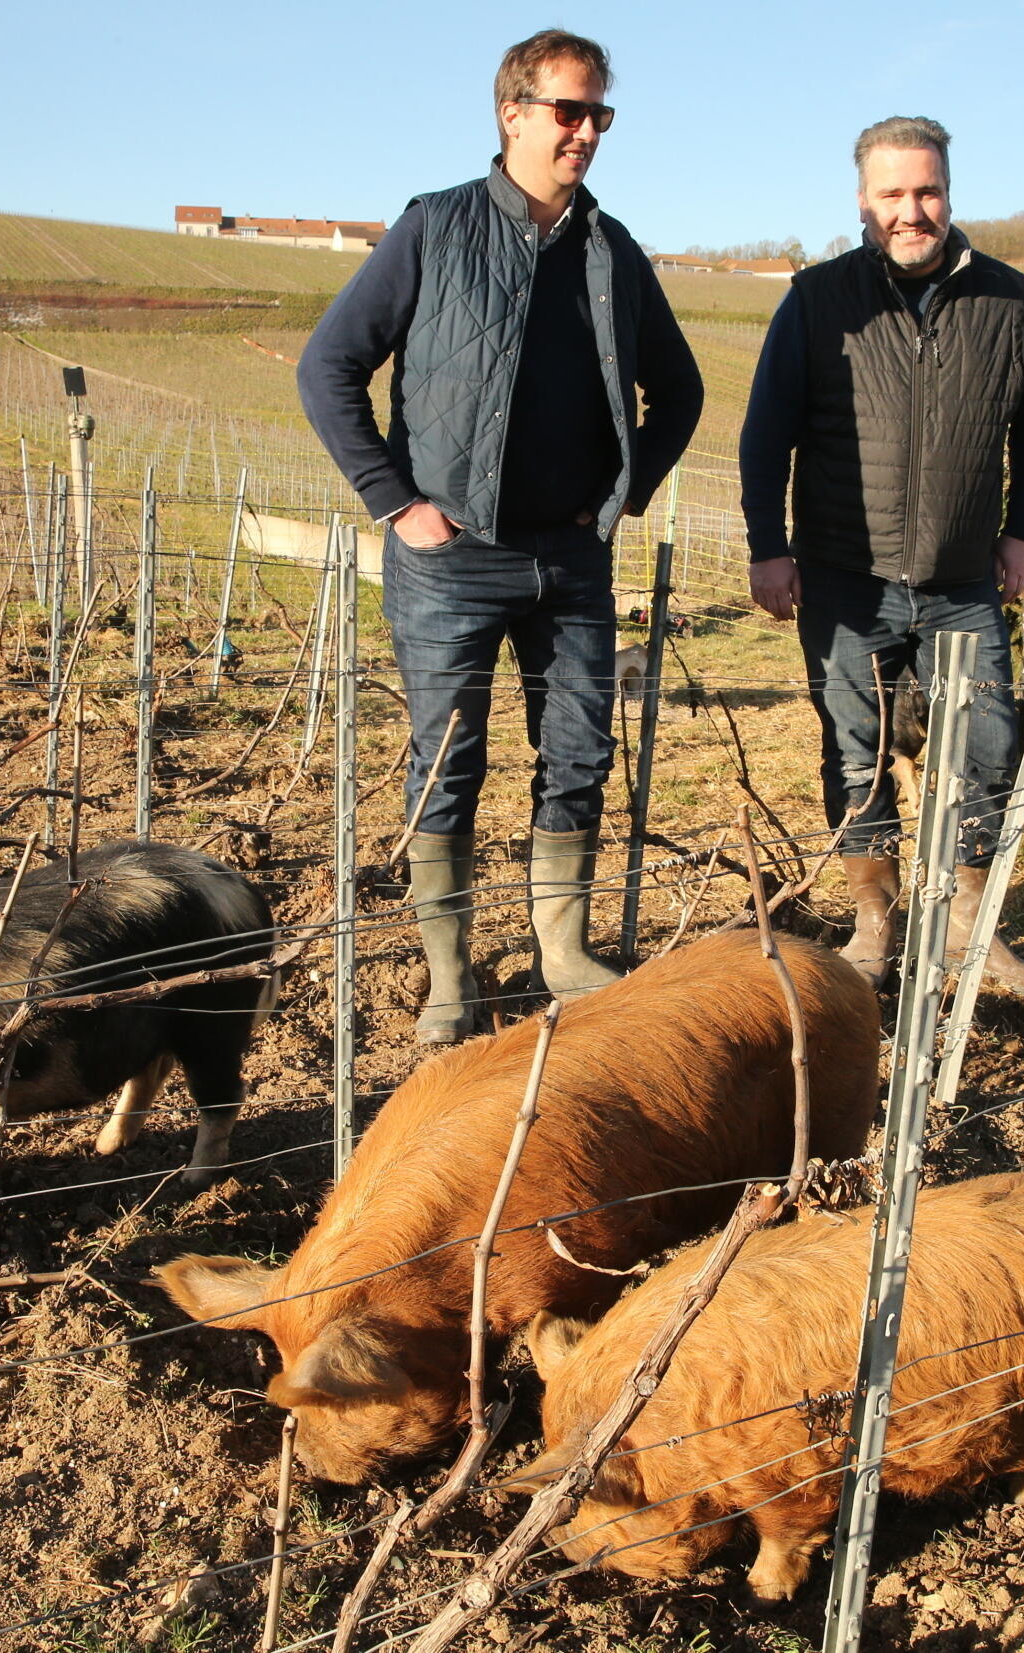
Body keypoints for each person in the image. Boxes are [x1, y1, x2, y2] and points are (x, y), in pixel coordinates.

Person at [299, 28, 703, 1043]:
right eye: (568, 111)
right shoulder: (432, 229)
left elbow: (681, 390)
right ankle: (449, 978)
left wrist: (619, 498)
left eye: (598, 115)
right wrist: (399, 505)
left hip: (569, 557)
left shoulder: (611, 253)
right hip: (450, 560)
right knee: (448, 764)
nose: (585, 133)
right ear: (511, 112)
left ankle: (560, 952)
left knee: (577, 754)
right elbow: (328, 370)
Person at [738, 115, 1024, 995]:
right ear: (863, 201)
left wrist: (1022, 527)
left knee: (987, 749)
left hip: (963, 581)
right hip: (848, 575)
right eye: (892, 194)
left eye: (926, 191)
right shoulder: (817, 300)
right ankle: (875, 924)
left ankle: (969, 935)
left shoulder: (1007, 299)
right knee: (856, 752)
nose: (910, 210)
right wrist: (770, 548)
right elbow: (766, 432)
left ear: (948, 192)